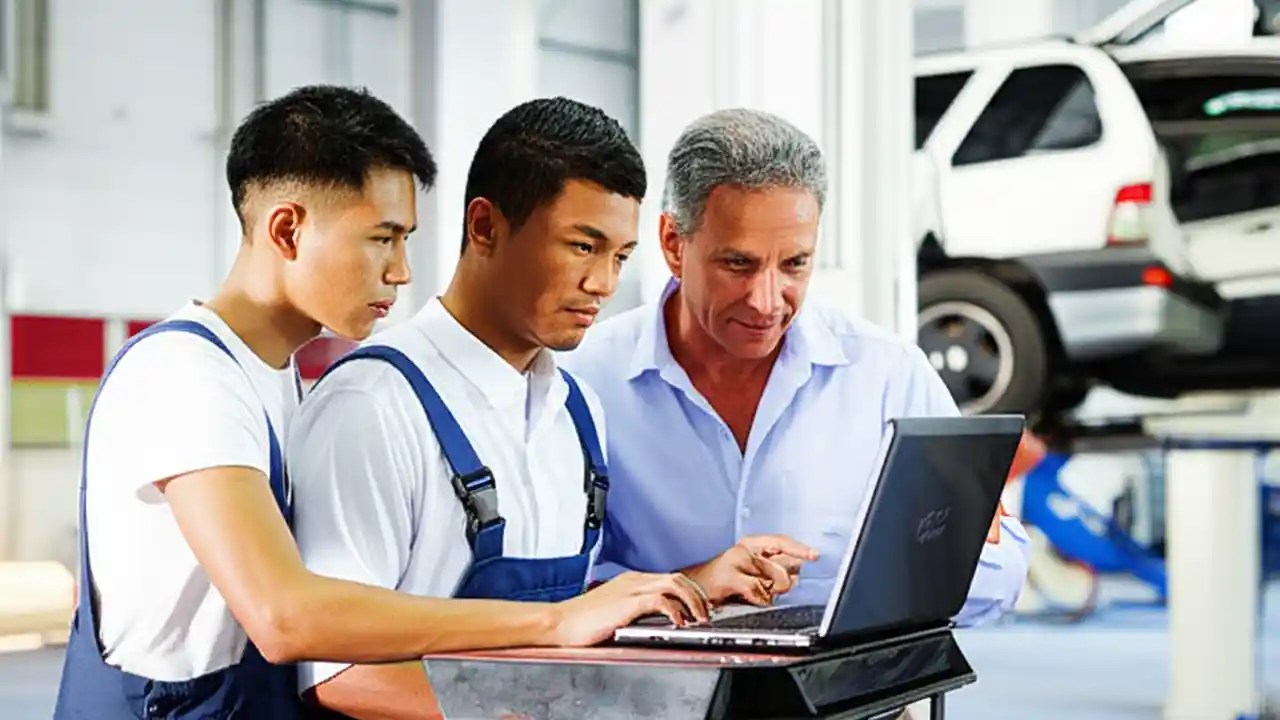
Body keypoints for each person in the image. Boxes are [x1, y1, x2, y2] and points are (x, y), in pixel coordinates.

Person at [54, 87, 701, 720]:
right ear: (287, 229)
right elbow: (285, 617)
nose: (401, 272)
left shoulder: (271, 377)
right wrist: (556, 621)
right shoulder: (188, 376)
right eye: (381, 239)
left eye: (405, 239)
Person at [286, 97, 712, 719]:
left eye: (618, 256)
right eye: (581, 246)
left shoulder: (579, 411)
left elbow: (560, 622)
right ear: (484, 227)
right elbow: (338, 674)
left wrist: (694, 587)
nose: (603, 284)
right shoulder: (372, 406)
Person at [560, 108, 1029, 624]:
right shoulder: (582, 381)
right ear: (674, 244)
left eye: (794, 264)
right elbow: (553, 592)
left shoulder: (887, 375)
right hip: (658, 698)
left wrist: (891, 570)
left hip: (853, 699)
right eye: (738, 264)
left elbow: (1001, 574)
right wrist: (692, 583)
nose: (766, 301)